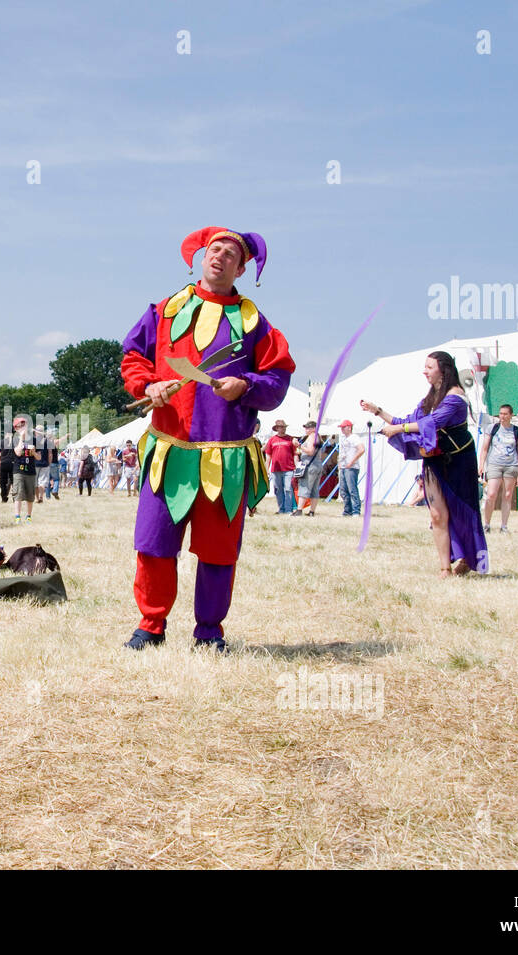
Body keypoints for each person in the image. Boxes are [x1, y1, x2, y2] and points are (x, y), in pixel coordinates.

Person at [122, 225, 293, 652]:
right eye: (215, 249)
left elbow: (277, 377)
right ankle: (150, 625)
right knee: (155, 542)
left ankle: (209, 632)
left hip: (226, 457)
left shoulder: (256, 323)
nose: (220, 257)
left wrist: (246, 385)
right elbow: (133, 358)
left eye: (231, 254)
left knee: (218, 552)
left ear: (241, 268)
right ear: (202, 255)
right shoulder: (163, 310)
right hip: (169, 450)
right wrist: (147, 387)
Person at [361, 350, 487, 577]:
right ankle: (444, 569)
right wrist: (378, 411)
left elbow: (433, 422)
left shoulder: (456, 397)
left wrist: (398, 430)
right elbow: (408, 421)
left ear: (443, 369)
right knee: (437, 515)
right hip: (434, 460)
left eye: (429, 367)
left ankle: (468, 558)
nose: (425, 371)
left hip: (459, 461)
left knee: (462, 512)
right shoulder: (429, 399)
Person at [478, 403, 518, 533]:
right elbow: (485, 448)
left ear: (511, 415)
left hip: (511, 464)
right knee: (491, 494)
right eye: (501, 413)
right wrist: (482, 464)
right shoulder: (492, 428)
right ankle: (486, 524)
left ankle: (504, 525)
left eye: (505, 414)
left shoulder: (517, 431)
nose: (502, 416)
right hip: (494, 463)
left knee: (507, 495)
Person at [264, 419, 298, 514]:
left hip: (289, 468)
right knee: (278, 489)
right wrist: (267, 468)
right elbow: (268, 455)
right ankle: (281, 508)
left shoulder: (291, 439)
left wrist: (297, 466)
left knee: (288, 488)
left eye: (284, 427)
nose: (283, 429)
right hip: (275, 468)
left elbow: (295, 453)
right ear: (277, 428)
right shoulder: (272, 440)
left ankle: (288, 509)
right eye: (281, 427)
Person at [11, 416, 39, 521]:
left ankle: (28, 516)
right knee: (18, 493)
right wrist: (22, 439)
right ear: (16, 428)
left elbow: (39, 457)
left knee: (30, 495)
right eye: (20, 425)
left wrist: (34, 453)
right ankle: (17, 517)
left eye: (24, 424)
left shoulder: (34, 440)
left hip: (31, 470)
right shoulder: (14, 439)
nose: (23, 427)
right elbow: (18, 452)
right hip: (18, 470)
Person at [296, 421, 326, 516]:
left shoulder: (312, 436)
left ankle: (299, 510)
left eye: (308, 427)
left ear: (314, 428)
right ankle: (312, 511)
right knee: (314, 490)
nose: (306, 429)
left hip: (310, 466)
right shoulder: (318, 437)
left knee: (305, 486)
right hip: (316, 465)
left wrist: (299, 446)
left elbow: (310, 451)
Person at [336, 420, 363, 516]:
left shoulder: (355, 438)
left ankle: (356, 510)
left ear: (349, 427)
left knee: (352, 489)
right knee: (343, 490)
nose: (342, 429)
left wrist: (352, 462)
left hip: (351, 467)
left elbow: (361, 449)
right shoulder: (344, 438)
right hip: (344, 467)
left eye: (344, 427)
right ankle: (347, 510)